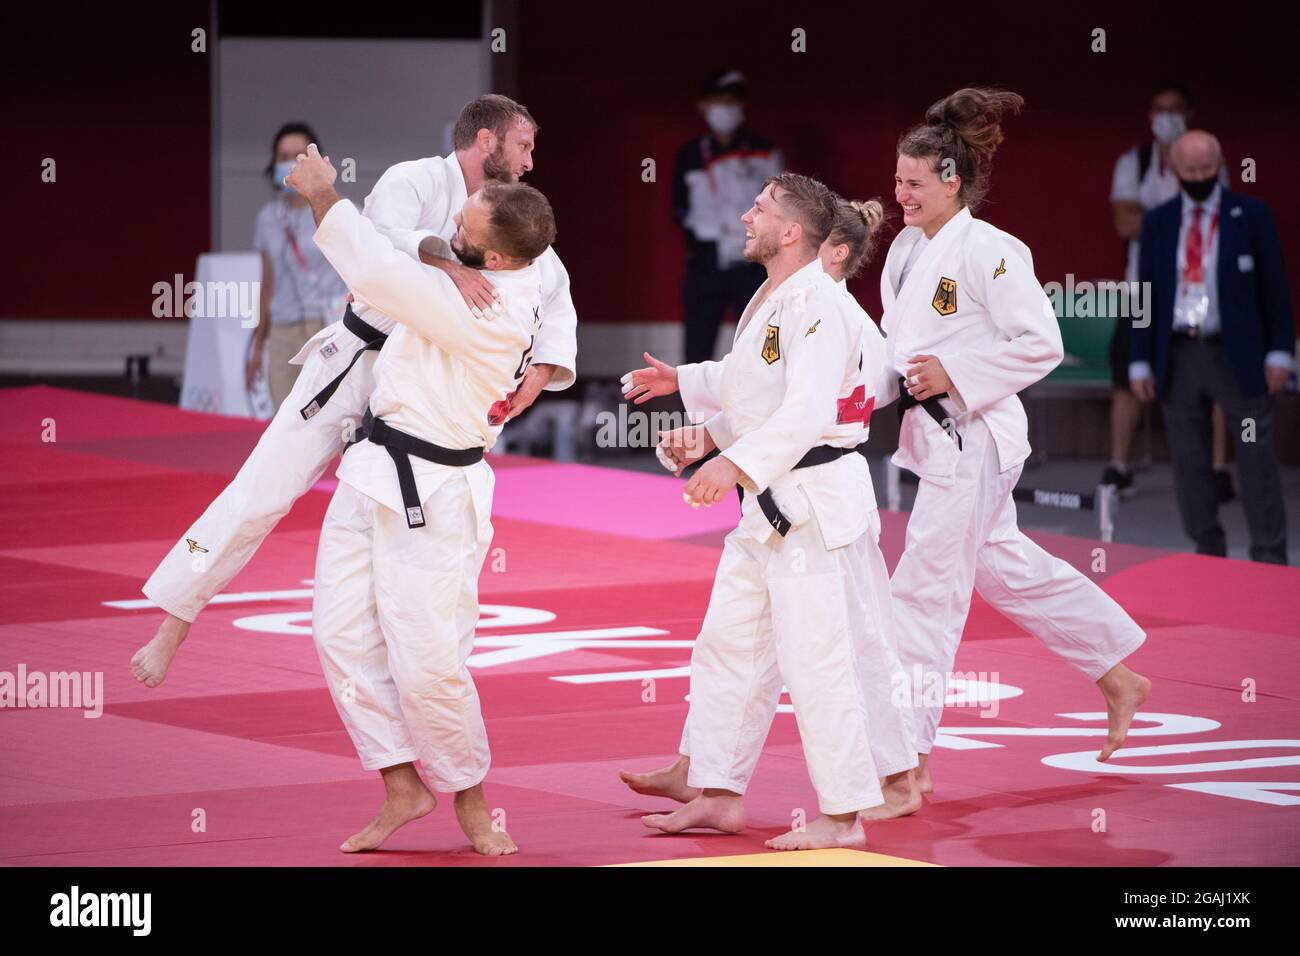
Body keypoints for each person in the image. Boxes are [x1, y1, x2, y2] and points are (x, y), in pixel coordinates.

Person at [131, 94, 577, 688]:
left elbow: (554, 293)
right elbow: (375, 243)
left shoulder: (509, 214)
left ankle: (424, 684)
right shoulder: (414, 179)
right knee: (259, 493)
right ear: (489, 142)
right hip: (354, 365)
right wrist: (452, 265)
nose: (529, 162)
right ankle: (175, 617)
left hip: (426, 395)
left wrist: (543, 372)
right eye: (523, 146)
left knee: (418, 552)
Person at [880, 88, 1151, 795]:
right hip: (939, 438)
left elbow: (1043, 344)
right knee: (1003, 565)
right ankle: (1118, 673)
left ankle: (909, 766)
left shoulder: (994, 252)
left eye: (911, 181)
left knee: (923, 594)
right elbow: (894, 349)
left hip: (975, 437)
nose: (899, 193)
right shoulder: (908, 250)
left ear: (951, 180)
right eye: (897, 179)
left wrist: (955, 373)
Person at [618, 196, 923, 823]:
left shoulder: (818, 304)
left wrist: (732, 460)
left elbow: (808, 411)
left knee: (821, 662)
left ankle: (843, 815)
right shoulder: (777, 297)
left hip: (809, 504)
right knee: (729, 643)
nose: (743, 217)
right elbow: (755, 385)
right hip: (772, 500)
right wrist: (706, 426)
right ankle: (717, 793)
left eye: (758, 208)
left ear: (792, 231)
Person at [288, 143, 554, 855]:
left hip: (434, 497)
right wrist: (442, 250)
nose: (451, 231)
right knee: (339, 634)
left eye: (465, 229)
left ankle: (470, 795)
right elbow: (414, 241)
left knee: (429, 658)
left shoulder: (489, 307)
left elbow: (375, 269)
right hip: (372, 469)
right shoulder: (470, 268)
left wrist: (322, 194)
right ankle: (401, 783)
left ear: (494, 261)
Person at [1130, 130, 1293, 564]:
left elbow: (1275, 287)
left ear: (1220, 166)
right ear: (1176, 171)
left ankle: (1270, 556)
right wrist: (1140, 359)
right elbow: (1144, 294)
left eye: (1207, 169)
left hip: (1237, 354)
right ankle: (1207, 553)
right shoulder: (1159, 221)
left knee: (1255, 455)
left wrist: (1280, 351)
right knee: (1189, 460)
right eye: (1191, 170)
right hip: (1179, 354)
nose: (1200, 176)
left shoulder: (1250, 214)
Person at [1105, 86, 1233, 499]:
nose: (1167, 117)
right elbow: (1125, 223)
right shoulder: (1134, 162)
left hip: (1200, 288)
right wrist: (1179, 217)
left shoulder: (1208, 157)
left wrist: (1154, 220)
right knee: (1128, 377)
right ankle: (1119, 466)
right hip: (1141, 289)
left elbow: (1214, 217)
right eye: (1159, 109)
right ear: (1150, 115)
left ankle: (1216, 470)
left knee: (1215, 378)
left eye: (1175, 109)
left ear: (1189, 113)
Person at [673, 69, 782, 364]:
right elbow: (679, 208)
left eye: (731, 101)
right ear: (703, 106)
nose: (726, 109)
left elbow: (781, 203)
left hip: (752, 259)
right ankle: (693, 410)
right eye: (718, 101)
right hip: (705, 261)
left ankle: (758, 405)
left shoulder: (763, 150)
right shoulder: (690, 154)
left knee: (759, 340)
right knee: (697, 345)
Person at [248, 122, 349, 408]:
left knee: (328, 416)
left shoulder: (336, 210)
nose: (289, 162)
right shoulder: (267, 218)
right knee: (283, 415)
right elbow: (267, 284)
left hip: (326, 327)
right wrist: (258, 346)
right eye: (283, 156)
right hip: (282, 330)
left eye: (297, 154)